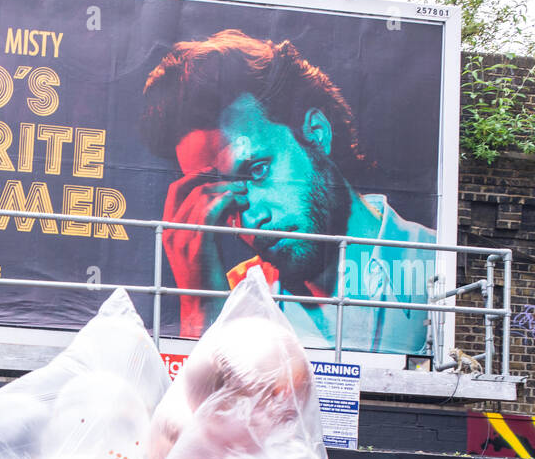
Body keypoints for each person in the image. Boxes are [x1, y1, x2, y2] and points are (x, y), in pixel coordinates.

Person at [140, 29, 436, 354]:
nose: (251, 218)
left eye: (258, 170)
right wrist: (200, 305)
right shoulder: (235, 296)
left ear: (315, 132)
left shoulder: (434, 259)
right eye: (217, 197)